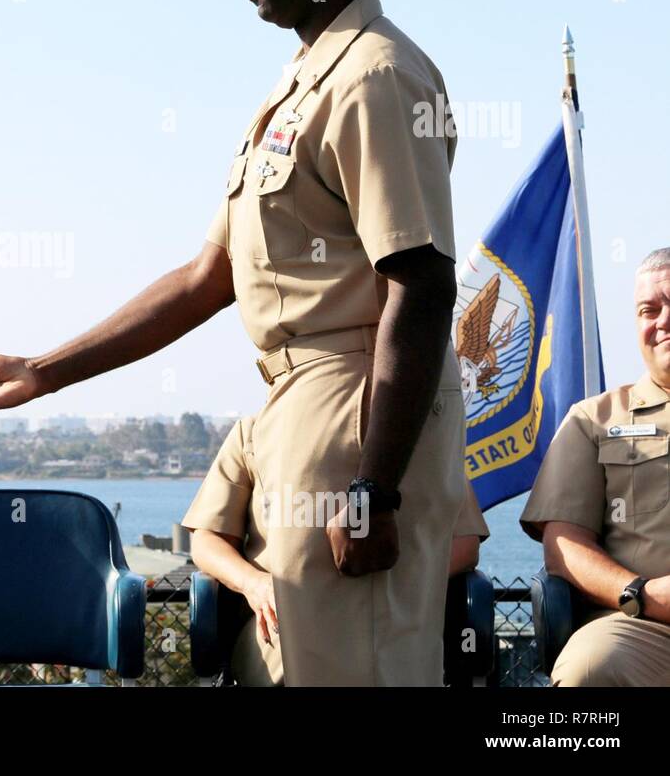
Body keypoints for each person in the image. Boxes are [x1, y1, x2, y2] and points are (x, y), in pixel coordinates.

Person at [0, 0, 465, 685]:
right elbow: (204, 279)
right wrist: (42, 370)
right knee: (298, 664)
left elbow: (421, 284)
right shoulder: (299, 89)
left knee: (358, 662)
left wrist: (372, 489)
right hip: (299, 406)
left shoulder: (376, 77)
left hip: (358, 410)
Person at [182, 420, 488, 683]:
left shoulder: (418, 433)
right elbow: (207, 539)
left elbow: (465, 543)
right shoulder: (252, 433)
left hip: (393, 634)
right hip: (283, 637)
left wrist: (398, 583)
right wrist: (254, 584)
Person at [520, 247, 670, 686]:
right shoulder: (595, 419)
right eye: (649, 310)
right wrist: (643, 594)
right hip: (644, 627)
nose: (661, 322)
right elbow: (564, 543)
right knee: (590, 669)